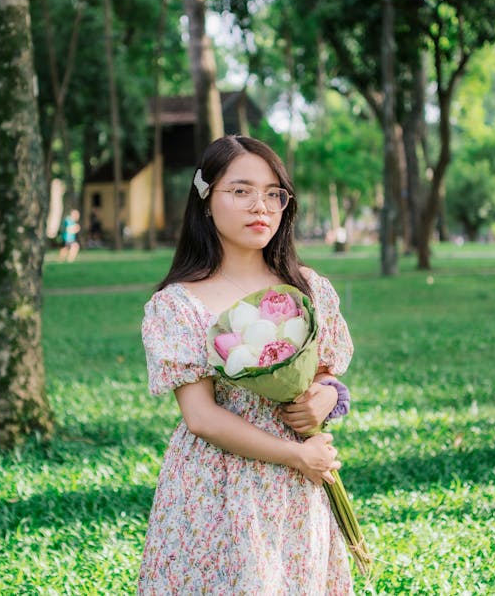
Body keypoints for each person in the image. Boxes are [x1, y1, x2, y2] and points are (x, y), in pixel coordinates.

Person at [139, 135, 355, 593]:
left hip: (298, 490)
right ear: (205, 200)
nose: (261, 205)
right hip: (217, 488)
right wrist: (299, 455)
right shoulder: (177, 305)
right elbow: (200, 417)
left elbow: (326, 375)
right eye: (240, 191)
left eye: (273, 193)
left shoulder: (309, 288)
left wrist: (329, 398)